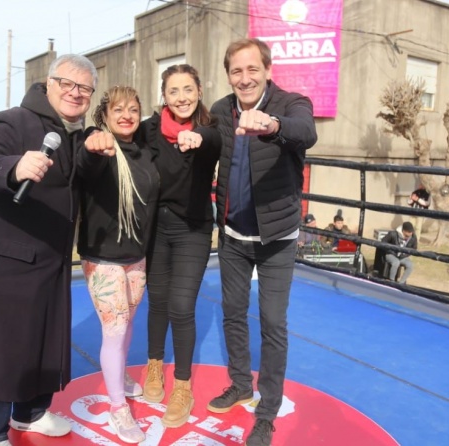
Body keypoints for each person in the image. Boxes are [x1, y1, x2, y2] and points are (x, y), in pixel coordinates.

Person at [0, 54, 97, 446]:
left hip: (50, 257)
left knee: (45, 338)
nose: (75, 93)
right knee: (4, 349)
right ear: (48, 83)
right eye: (67, 83)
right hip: (8, 259)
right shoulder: (14, 120)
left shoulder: (73, 134)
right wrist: (14, 167)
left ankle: (31, 415)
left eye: (84, 88)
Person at [207, 38, 317, 446]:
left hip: (277, 238)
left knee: (273, 322)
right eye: (237, 70)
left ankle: (267, 411)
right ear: (229, 75)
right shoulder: (222, 110)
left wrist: (272, 126)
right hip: (234, 235)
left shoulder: (291, 104)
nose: (245, 77)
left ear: (267, 70)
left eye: (252, 69)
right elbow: (204, 138)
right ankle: (240, 385)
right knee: (233, 313)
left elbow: (306, 132)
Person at [141, 63, 222, 428]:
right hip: (157, 228)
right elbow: (119, 129)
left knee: (181, 304)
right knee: (157, 301)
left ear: (199, 90)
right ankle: (154, 365)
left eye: (188, 89)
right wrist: (96, 133)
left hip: (193, 228)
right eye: (173, 91)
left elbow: (216, 143)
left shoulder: (209, 129)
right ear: (164, 96)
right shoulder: (149, 131)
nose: (182, 97)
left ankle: (183, 385)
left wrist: (199, 139)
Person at [78, 86, 159, 443]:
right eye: (118, 109)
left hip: (136, 255)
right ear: (105, 116)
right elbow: (84, 164)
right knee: (115, 328)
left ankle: (121, 376)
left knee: (127, 325)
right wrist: (93, 147)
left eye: (132, 108)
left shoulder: (144, 152)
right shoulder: (100, 147)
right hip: (102, 256)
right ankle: (117, 407)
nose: (126, 114)